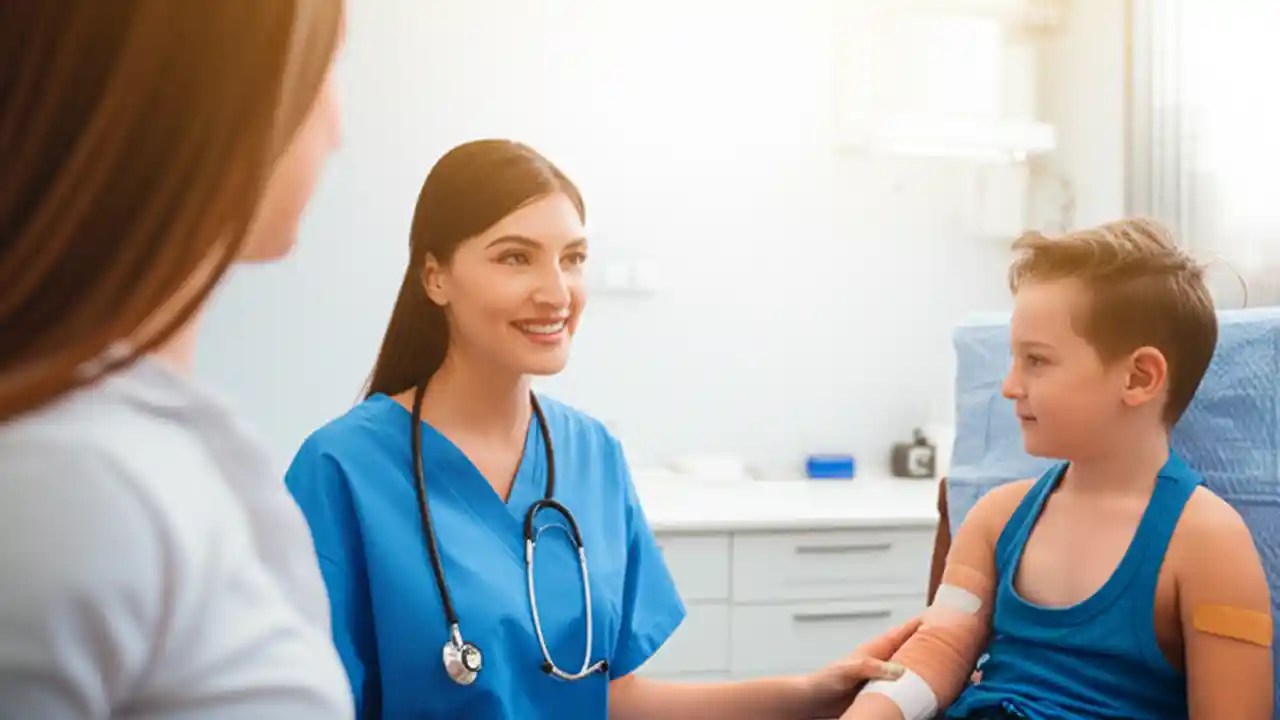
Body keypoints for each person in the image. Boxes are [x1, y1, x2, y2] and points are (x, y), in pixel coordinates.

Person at [284, 138, 918, 719]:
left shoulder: (591, 455)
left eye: (573, 258)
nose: (556, 291)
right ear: (435, 277)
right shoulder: (342, 469)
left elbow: (609, 699)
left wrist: (806, 694)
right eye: (515, 258)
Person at [0, 3, 352, 717]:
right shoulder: (69, 482)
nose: (339, 129)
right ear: (218, 103)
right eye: (324, 74)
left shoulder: (129, 447)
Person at [842, 218, 1274, 720]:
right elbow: (938, 648)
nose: (1009, 385)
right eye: (1013, 359)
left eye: (1036, 361)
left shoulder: (1208, 542)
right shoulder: (997, 518)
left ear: (1139, 377)